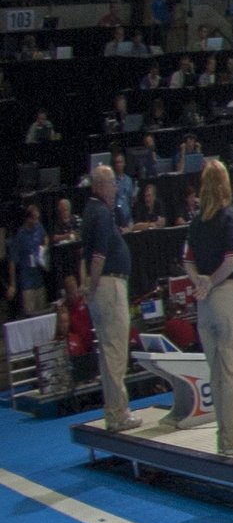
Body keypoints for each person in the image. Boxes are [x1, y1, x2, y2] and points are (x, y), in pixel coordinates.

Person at [185, 157, 233, 456]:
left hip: (205, 305)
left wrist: (197, 280)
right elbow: (232, 260)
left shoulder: (197, 221)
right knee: (232, 370)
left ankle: (222, 435)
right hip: (225, 294)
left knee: (216, 371)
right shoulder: (227, 218)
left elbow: (187, 259)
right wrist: (210, 281)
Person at [79, 157, 136, 432]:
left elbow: (84, 254)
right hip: (109, 285)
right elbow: (98, 255)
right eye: (113, 183)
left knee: (107, 351)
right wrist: (91, 286)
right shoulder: (101, 213)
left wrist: (88, 286)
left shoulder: (91, 212)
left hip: (100, 287)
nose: (116, 188)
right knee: (115, 351)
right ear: (101, 185)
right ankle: (118, 413)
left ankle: (113, 409)